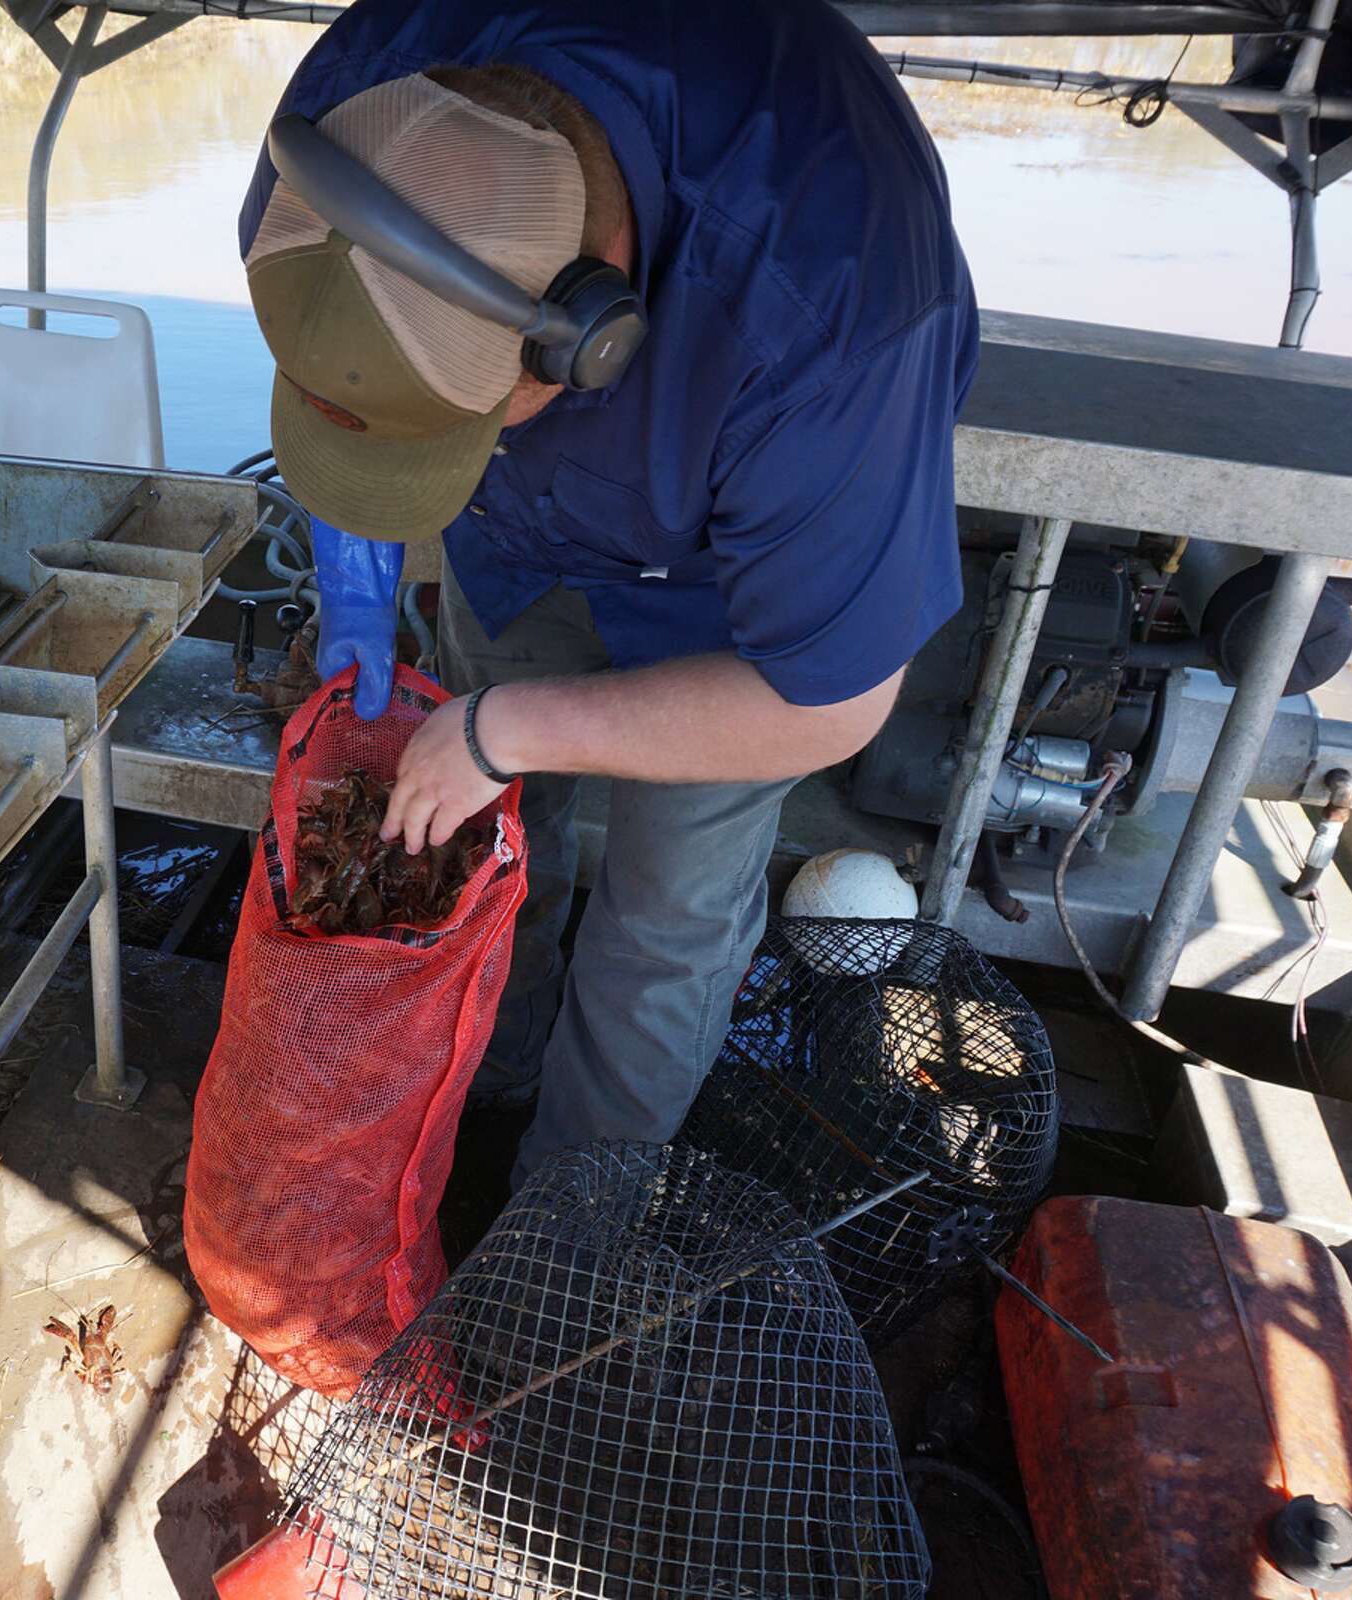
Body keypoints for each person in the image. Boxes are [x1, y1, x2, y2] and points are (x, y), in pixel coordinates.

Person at [238, 0, 978, 1183]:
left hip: (727, 610)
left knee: (664, 918)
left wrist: (507, 726)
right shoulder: (342, 129)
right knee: (486, 843)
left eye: (457, 423)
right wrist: (358, 576)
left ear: (588, 339)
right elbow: (344, 366)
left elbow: (831, 703)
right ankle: (482, 1081)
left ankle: (569, 1218)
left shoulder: (833, 314)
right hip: (517, 541)